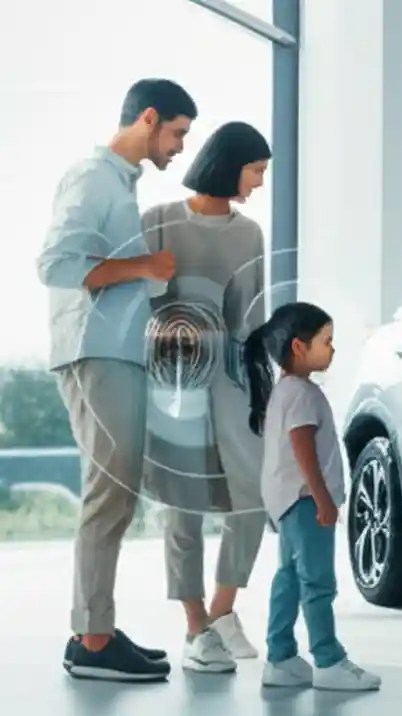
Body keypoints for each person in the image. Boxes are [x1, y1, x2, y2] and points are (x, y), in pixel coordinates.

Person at [35, 78, 197, 682]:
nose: (180, 146)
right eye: (178, 132)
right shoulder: (92, 177)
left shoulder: (121, 187)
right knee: (110, 493)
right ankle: (94, 641)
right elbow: (55, 264)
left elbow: (116, 278)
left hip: (117, 354)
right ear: (148, 118)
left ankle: (94, 628)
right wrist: (143, 266)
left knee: (116, 491)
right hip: (94, 353)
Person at [139, 121, 271, 673]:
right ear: (229, 165)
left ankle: (222, 612)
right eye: (255, 170)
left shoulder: (250, 234)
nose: (260, 182)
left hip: (229, 380)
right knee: (183, 506)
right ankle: (196, 629)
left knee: (253, 496)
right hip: (170, 383)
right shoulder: (158, 221)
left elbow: (249, 319)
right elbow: (135, 301)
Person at [245, 302, 381, 691]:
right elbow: (302, 447)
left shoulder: (286, 391)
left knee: (289, 578)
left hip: (288, 500)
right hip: (305, 500)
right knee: (318, 581)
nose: (333, 349)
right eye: (326, 341)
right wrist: (323, 498)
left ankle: (281, 657)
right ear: (298, 347)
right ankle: (328, 659)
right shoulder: (302, 394)